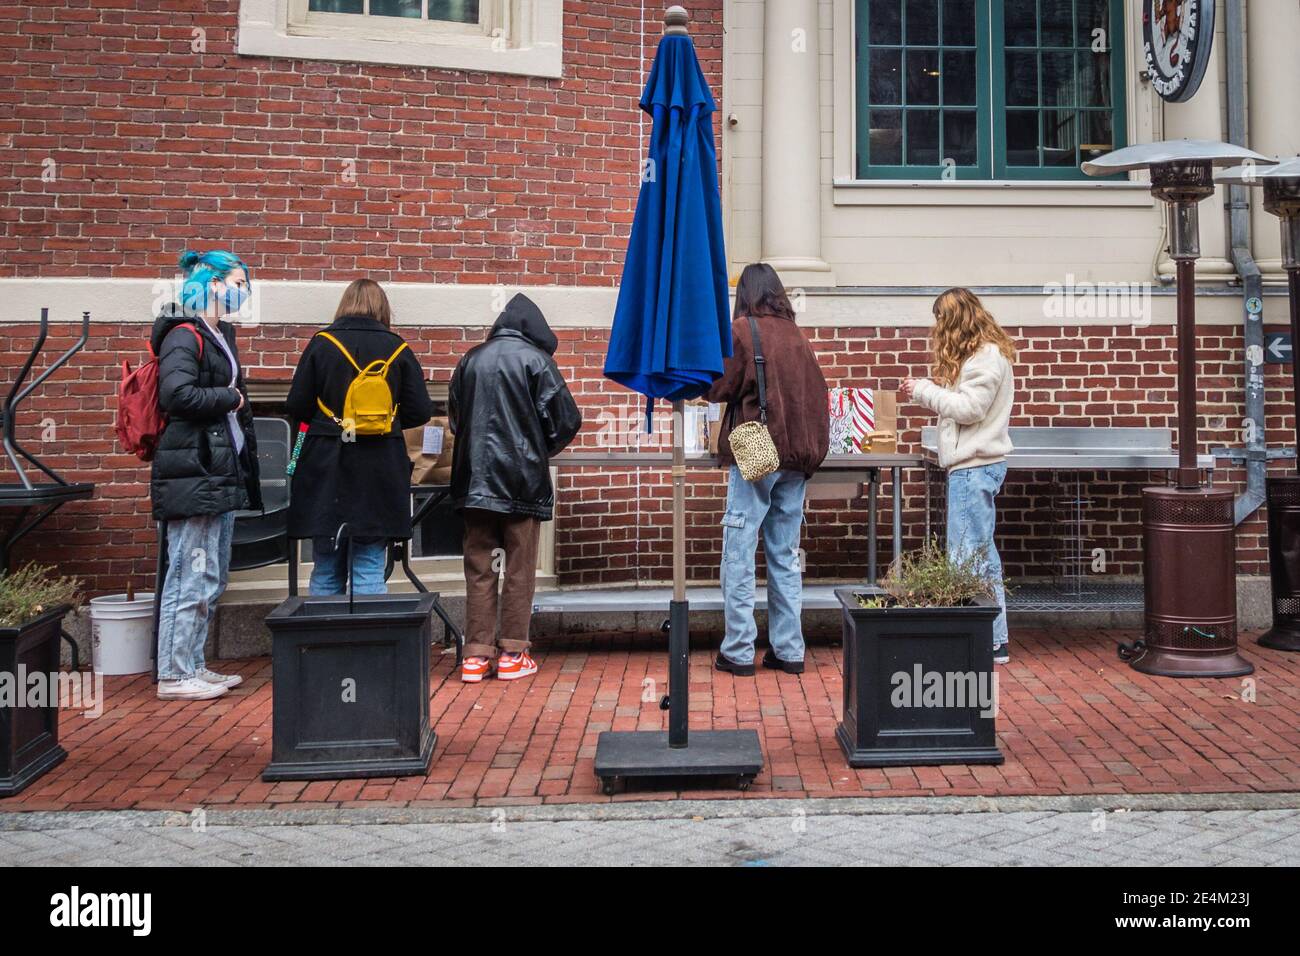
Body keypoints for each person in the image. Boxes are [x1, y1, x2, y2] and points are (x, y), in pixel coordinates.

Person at [449, 293, 582, 683]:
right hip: (522, 484)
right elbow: (567, 420)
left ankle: (474, 656)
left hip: (474, 482)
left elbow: (456, 419)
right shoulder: (537, 362)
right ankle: (511, 653)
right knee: (519, 570)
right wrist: (540, 450)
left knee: (480, 567)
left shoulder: (470, 360)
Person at [151, 249, 262, 701]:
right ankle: (175, 674)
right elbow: (176, 395)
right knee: (188, 573)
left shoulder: (219, 334)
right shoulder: (184, 333)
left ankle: (194, 663)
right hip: (193, 471)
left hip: (217, 470)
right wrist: (229, 398)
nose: (244, 290)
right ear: (213, 283)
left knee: (210, 573)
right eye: (238, 281)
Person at [708, 263, 829, 677]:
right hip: (798, 456)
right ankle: (789, 649)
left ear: (745, 293)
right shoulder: (797, 336)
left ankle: (739, 651)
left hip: (759, 449)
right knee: (784, 555)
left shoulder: (743, 330)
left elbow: (717, 386)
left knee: (739, 552)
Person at [286, 279, 434, 595]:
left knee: (325, 566)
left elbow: (297, 405)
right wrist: (385, 423)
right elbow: (421, 410)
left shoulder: (322, 343)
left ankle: (325, 642)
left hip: (326, 464)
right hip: (379, 467)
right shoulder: (398, 348)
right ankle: (370, 644)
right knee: (368, 565)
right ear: (382, 308)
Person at [901, 287, 1016, 664]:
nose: (937, 330)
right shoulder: (985, 355)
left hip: (974, 466)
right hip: (975, 465)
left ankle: (983, 639)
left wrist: (924, 391)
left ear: (954, 321)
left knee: (969, 556)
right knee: (980, 553)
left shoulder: (984, 357)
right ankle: (991, 638)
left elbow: (969, 409)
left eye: (940, 320)